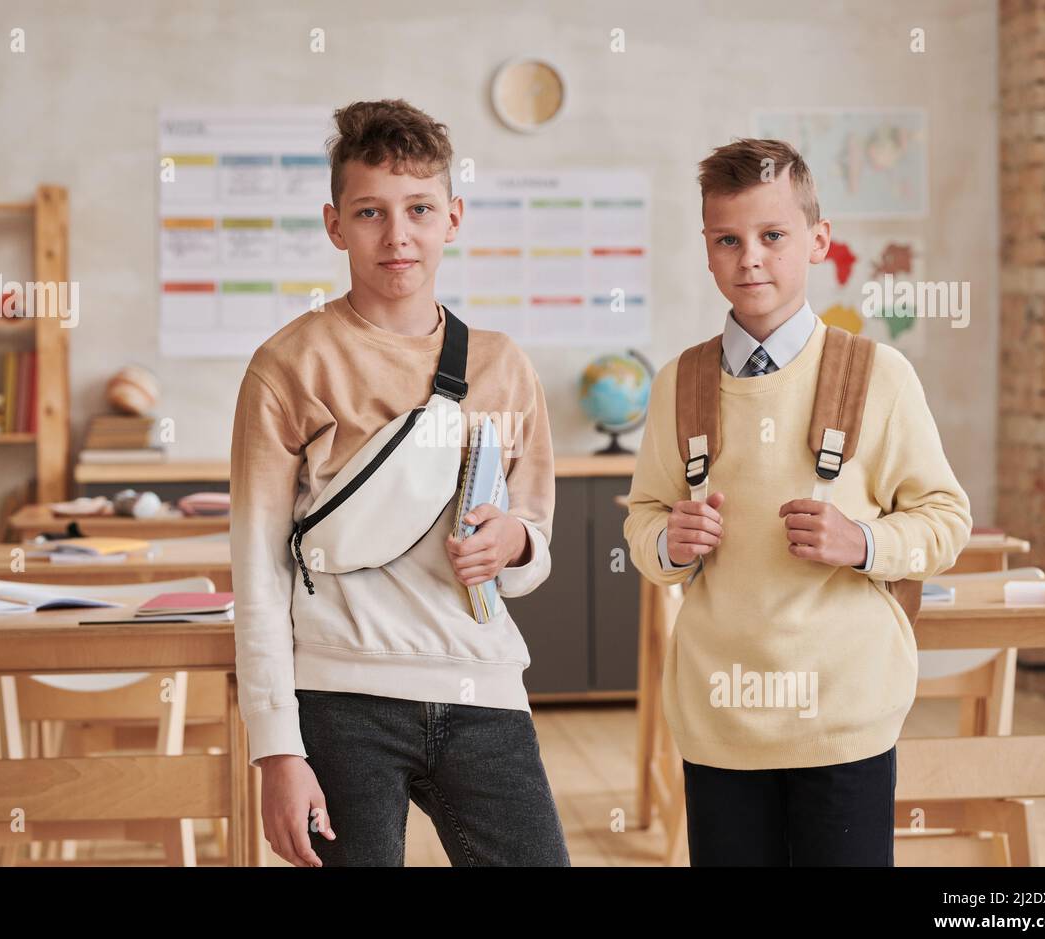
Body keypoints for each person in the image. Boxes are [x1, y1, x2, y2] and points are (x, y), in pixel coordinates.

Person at [230, 99, 569, 867]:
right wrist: (277, 751)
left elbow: (534, 542)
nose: (397, 235)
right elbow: (257, 571)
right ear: (334, 224)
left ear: (452, 217)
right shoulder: (289, 365)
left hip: (484, 690)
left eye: (418, 209)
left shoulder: (503, 366)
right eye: (370, 212)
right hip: (340, 703)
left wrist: (515, 543)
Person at [623, 137, 972, 866]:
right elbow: (645, 526)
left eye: (772, 235)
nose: (750, 257)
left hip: (845, 720)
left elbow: (945, 516)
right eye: (729, 239)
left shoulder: (881, 375)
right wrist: (667, 543)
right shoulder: (677, 385)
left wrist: (865, 542)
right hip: (721, 721)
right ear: (709, 250)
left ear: (818, 241)